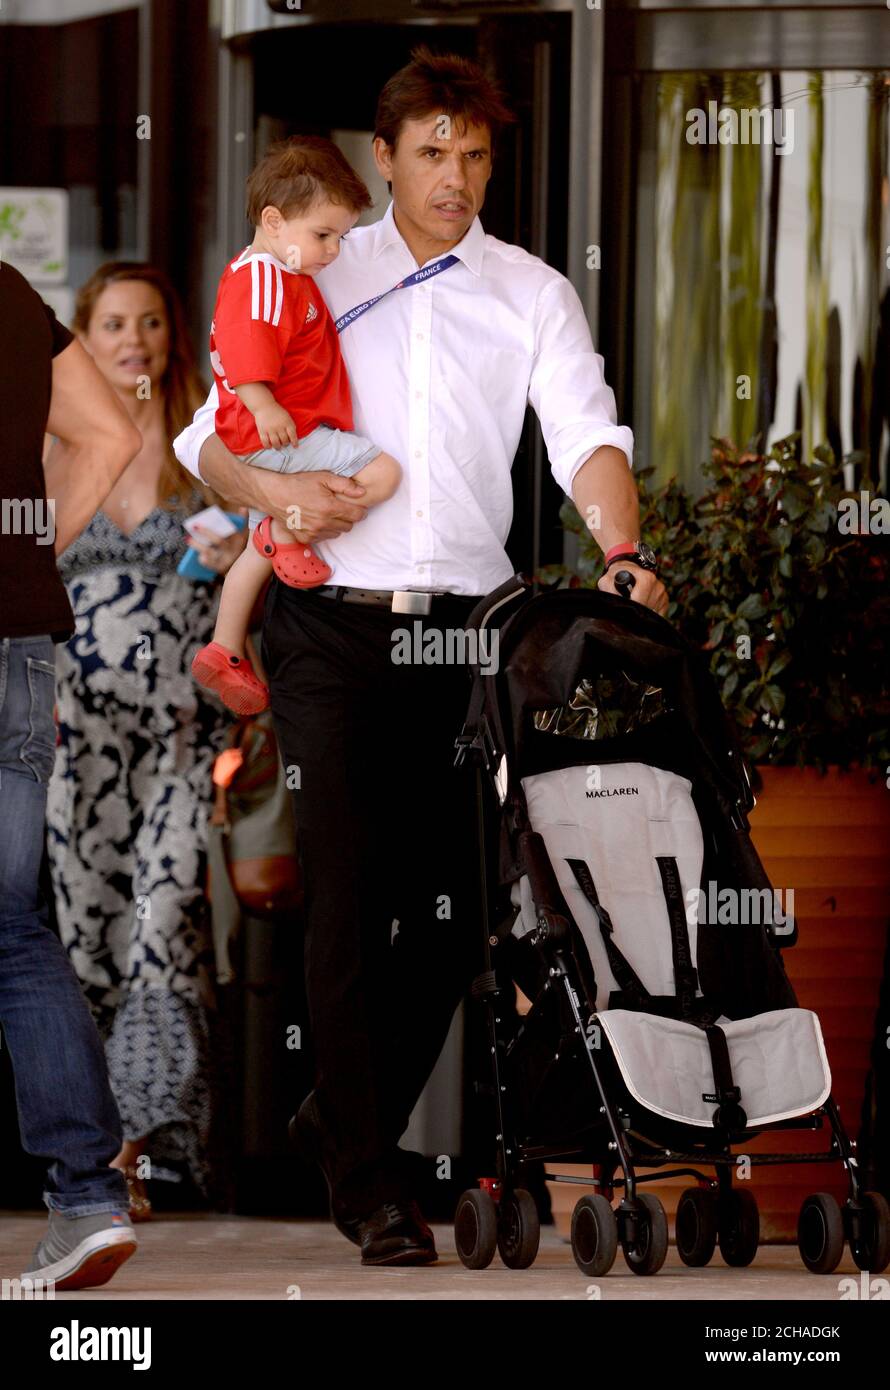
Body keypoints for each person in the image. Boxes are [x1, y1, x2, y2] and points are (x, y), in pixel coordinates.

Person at [174, 46, 668, 1268]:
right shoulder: (314, 268)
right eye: (431, 151)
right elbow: (207, 437)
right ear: (383, 154)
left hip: (468, 636)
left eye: (475, 153)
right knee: (341, 890)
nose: (454, 176)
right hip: (328, 624)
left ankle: (340, 1115)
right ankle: (368, 1181)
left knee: (457, 915)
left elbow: (585, 433)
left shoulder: (531, 293)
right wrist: (272, 500)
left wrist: (619, 548)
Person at [44, 263, 242, 1221]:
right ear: (82, 336)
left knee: (162, 927)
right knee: (85, 943)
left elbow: (265, 561)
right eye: (114, 323)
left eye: (151, 323)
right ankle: (89, 1155)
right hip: (74, 739)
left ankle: (155, 1145)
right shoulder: (53, 445)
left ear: (172, 337)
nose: (134, 339)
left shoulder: (208, 447)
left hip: (177, 738)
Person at [0, 259, 142, 1290]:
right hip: (20, 634)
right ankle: (88, 1197)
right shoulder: (8, 292)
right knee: (10, 922)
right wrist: (26, 547)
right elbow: (113, 432)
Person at [192, 136, 401, 714]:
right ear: (273, 220)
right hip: (283, 435)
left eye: (340, 236)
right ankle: (286, 533)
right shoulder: (261, 276)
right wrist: (265, 406)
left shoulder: (284, 273)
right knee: (383, 474)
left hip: (274, 435)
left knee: (254, 551)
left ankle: (226, 647)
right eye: (323, 236)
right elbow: (241, 347)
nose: (334, 251)